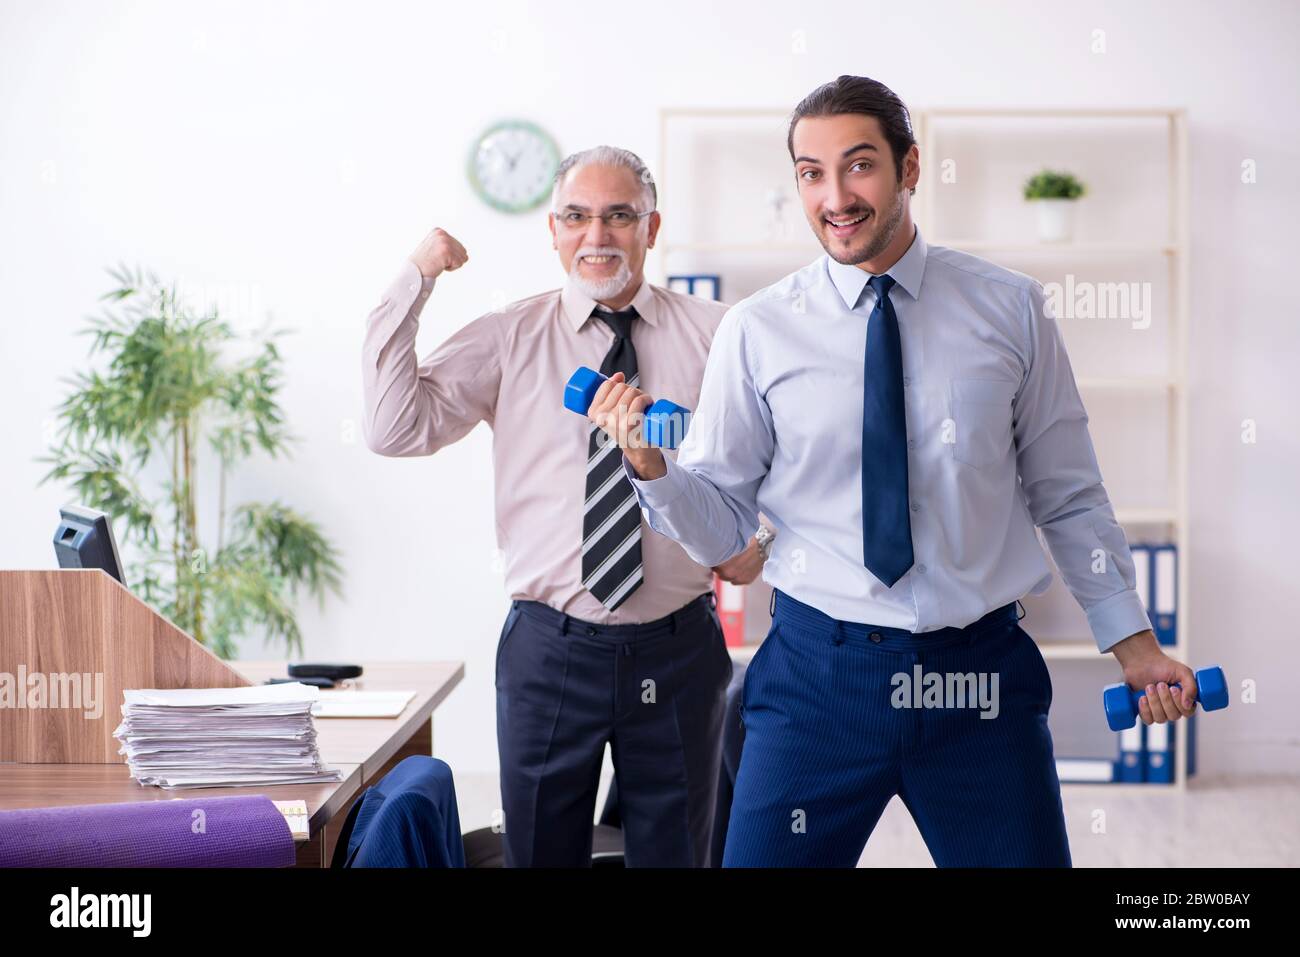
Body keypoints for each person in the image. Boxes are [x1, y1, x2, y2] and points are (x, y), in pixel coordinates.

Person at [588, 76, 1198, 867]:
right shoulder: (758, 330)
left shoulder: (1010, 310)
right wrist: (652, 471)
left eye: (860, 165)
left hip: (976, 684)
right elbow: (724, 526)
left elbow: (1069, 494)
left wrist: (1133, 641)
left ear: (911, 168)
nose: (835, 195)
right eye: (811, 172)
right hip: (816, 684)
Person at [361, 145, 768, 867]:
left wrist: (755, 538)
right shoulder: (508, 337)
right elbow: (395, 428)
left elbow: (781, 461)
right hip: (550, 652)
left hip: (678, 647)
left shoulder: (719, 333)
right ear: (552, 231)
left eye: (619, 216)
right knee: (544, 856)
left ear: (653, 226)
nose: (598, 235)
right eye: (577, 217)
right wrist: (414, 279)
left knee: (678, 856)